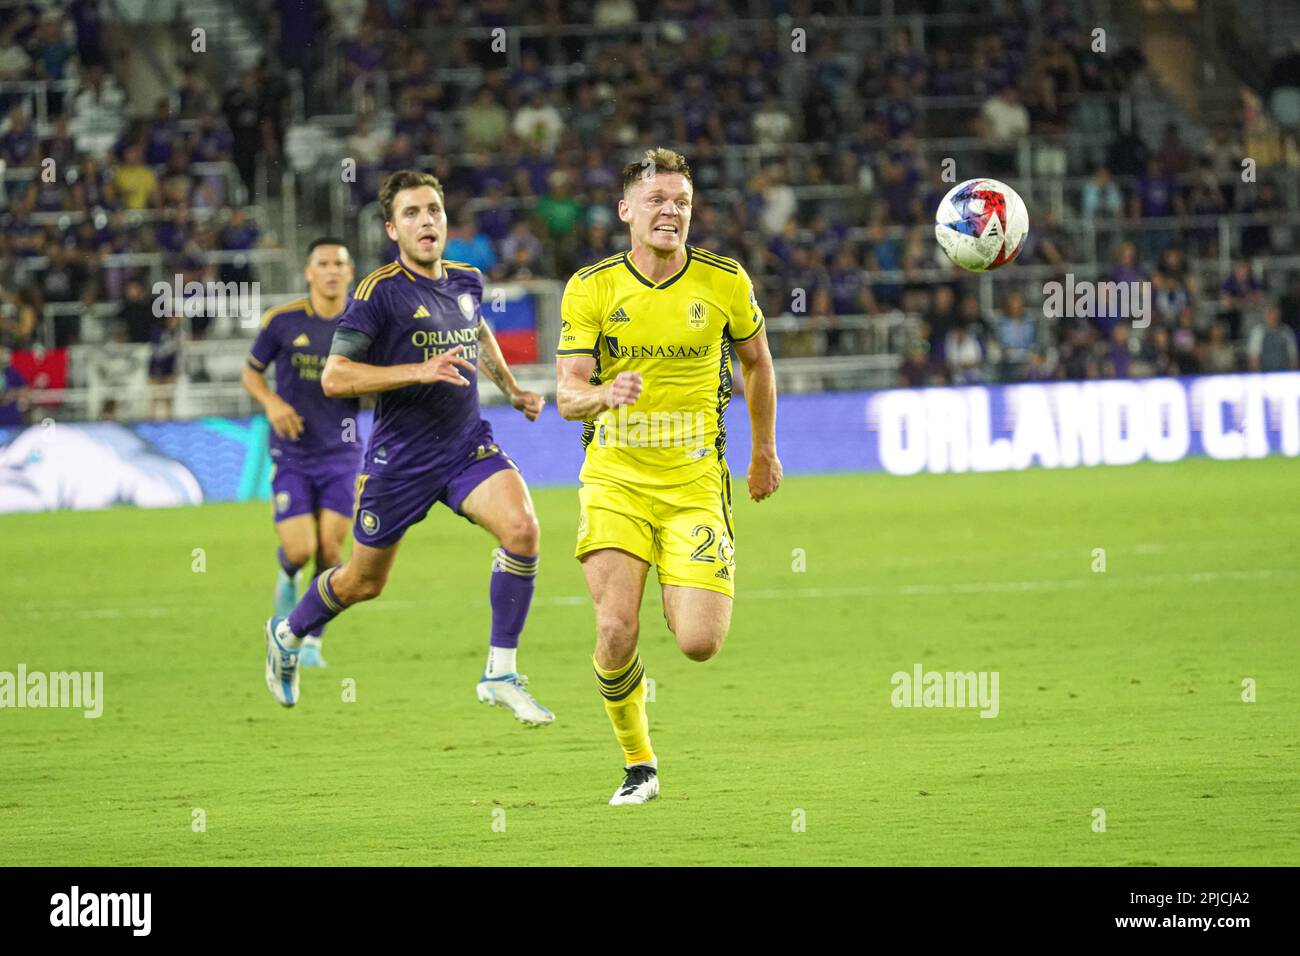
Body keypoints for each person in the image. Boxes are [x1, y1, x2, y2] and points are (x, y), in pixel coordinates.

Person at [263, 171, 553, 728]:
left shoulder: (467, 280)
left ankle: (499, 672)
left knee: (523, 531)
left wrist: (511, 388)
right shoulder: (378, 293)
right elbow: (335, 376)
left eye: (435, 210)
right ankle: (288, 632)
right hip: (401, 462)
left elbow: (478, 334)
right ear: (393, 229)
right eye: (414, 213)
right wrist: (419, 369)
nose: (427, 221)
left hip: (466, 446)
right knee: (363, 582)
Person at [555, 148, 782, 805]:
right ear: (627, 211)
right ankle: (639, 765)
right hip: (616, 479)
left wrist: (763, 451)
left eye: (681, 202)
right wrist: (603, 395)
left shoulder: (724, 281)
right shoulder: (592, 287)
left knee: (699, 643)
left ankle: (674, 570)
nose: (671, 212)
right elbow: (569, 395)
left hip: (693, 486)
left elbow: (758, 364)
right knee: (614, 628)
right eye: (656, 200)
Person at [242, 238, 359, 668]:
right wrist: (272, 403)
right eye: (323, 263)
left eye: (339, 263)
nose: (331, 270)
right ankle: (288, 573)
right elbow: (251, 373)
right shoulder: (282, 322)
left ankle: (310, 642)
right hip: (292, 452)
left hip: (342, 452)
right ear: (309, 272)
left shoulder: (363, 324)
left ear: (350, 273)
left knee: (331, 550)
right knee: (298, 550)